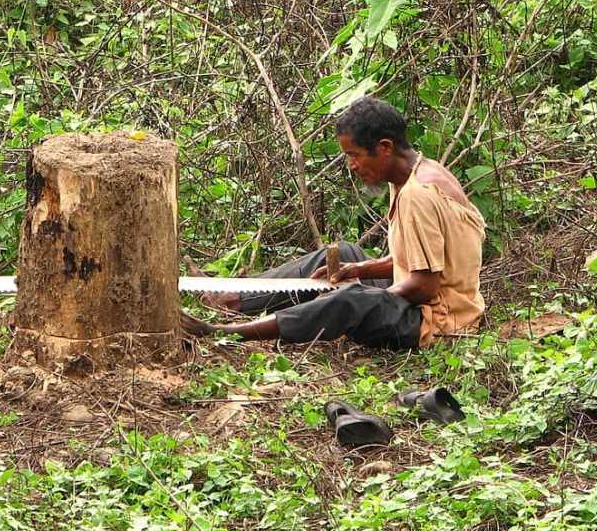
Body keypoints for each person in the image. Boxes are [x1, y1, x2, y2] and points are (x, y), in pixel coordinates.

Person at [184, 96, 486, 350]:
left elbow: (424, 285)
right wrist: (360, 270)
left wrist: (361, 292)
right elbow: (423, 260)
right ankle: (231, 298)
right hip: (434, 300)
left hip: (439, 322)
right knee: (344, 255)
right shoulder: (419, 172)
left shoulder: (417, 195)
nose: (352, 166)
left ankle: (225, 333)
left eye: (354, 156)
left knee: (349, 300)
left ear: (384, 147)